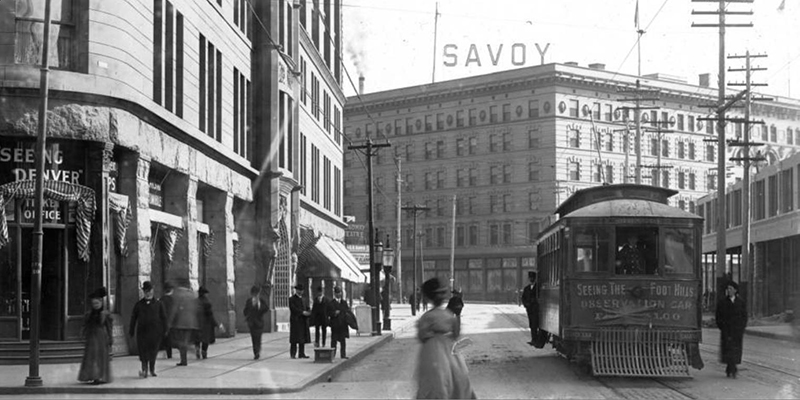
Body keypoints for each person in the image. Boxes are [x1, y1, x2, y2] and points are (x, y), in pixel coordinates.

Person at [415, 277, 476, 399]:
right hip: (451, 351)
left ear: (428, 297)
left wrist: (431, 336)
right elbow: (456, 334)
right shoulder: (448, 315)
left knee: (435, 381)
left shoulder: (427, 317)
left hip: (431, 353)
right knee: (458, 377)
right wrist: (458, 315)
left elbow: (422, 336)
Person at [129, 281, 167, 378]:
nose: (148, 293)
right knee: (143, 352)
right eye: (146, 291)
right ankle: (144, 369)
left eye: (149, 291)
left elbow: (164, 318)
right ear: (143, 292)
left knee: (153, 352)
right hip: (142, 333)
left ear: (153, 291)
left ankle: (152, 369)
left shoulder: (159, 304)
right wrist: (131, 330)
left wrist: (165, 330)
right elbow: (134, 318)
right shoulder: (139, 305)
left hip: (155, 333)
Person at [78, 287, 113, 385]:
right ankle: (93, 376)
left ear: (101, 303)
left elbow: (109, 327)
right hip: (91, 337)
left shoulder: (105, 314)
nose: (96, 305)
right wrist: (82, 334)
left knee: (100, 357)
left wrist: (110, 338)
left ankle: (100, 376)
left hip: (101, 337)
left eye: (97, 303)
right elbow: (85, 325)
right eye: (94, 304)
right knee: (91, 357)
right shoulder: (89, 314)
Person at [716, 280, 748, 378]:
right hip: (726, 330)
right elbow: (718, 316)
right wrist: (722, 327)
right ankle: (731, 368)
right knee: (728, 349)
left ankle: (731, 368)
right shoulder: (722, 302)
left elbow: (744, 316)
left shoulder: (741, 302)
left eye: (730, 289)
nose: (728, 291)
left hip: (737, 331)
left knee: (735, 349)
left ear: (735, 290)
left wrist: (742, 328)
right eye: (728, 289)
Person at [168, 279, 199, 366]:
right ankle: (186, 355)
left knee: (179, 341)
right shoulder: (192, 294)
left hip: (180, 322)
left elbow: (174, 309)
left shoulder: (177, 294)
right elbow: (196, 308)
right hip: (191, 321)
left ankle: (184, 358)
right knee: (185, 340)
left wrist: (170, 321)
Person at [195, 286, 221, 360]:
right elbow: (210, 315)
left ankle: (197, 348)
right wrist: (217, 324)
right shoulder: (207, 303)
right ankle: (204, 352)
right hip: (206, 324)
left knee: (197, 338)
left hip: (196, 323)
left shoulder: (195, 302)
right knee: (205, 340)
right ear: (205, 294)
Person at [243, 285, 269, 359]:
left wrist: (259, 305)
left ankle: (257, 350)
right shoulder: (249, 301)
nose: (256, 295)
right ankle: (256, 352)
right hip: (252, 323)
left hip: (259, 322)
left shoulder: (261, 301)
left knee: (258, 337)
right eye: (255, 293)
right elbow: (245, 311)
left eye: (257, 293)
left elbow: (266, 308)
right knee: (254, 338)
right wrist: (248, 315)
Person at [327, 286, 351, 359]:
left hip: (343, 324)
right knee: (334, 340)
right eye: (337, 293)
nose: (338, 294)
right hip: (335, 325)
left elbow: (347, 311)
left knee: (343, 341)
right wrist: (334, 313)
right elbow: (328, 313)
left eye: (339, 292)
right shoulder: (331, 303)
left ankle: (343, 355)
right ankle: (332, 355)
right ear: (334, 293)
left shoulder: (344, 302)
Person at [289, 283, 311, 359]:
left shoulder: (304, 299)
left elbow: (307, 307)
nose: (300, 292)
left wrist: (308, 311)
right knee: (294, 339)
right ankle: (293, 353)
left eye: (301, 290)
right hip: (296, 321)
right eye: (299, 290)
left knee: (302, 338)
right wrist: (302, 312)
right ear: (296, 290)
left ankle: (301, 353)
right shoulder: (292, 299)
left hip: (303, 321)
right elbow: (293, 309)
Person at [521, 271, 540, 346]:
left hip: (536, 309)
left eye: (533, 278)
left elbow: (538, 297)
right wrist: (526, 304)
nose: (531, 279)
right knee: (532, 324)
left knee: (535, 324)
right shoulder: (526, 288)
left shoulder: (537, 288)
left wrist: (534, 302)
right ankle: (533, 339)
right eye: (530, 278)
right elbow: (523, 298)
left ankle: (535, 339)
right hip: (529, 310)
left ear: (534, 278)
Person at [160, 282, 175, 359]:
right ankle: (169, 353)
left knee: (164, 337)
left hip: (163, 321)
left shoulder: (161, 299)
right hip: (171, 321)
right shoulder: (172, 300)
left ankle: (165, 351)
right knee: (169, 338)